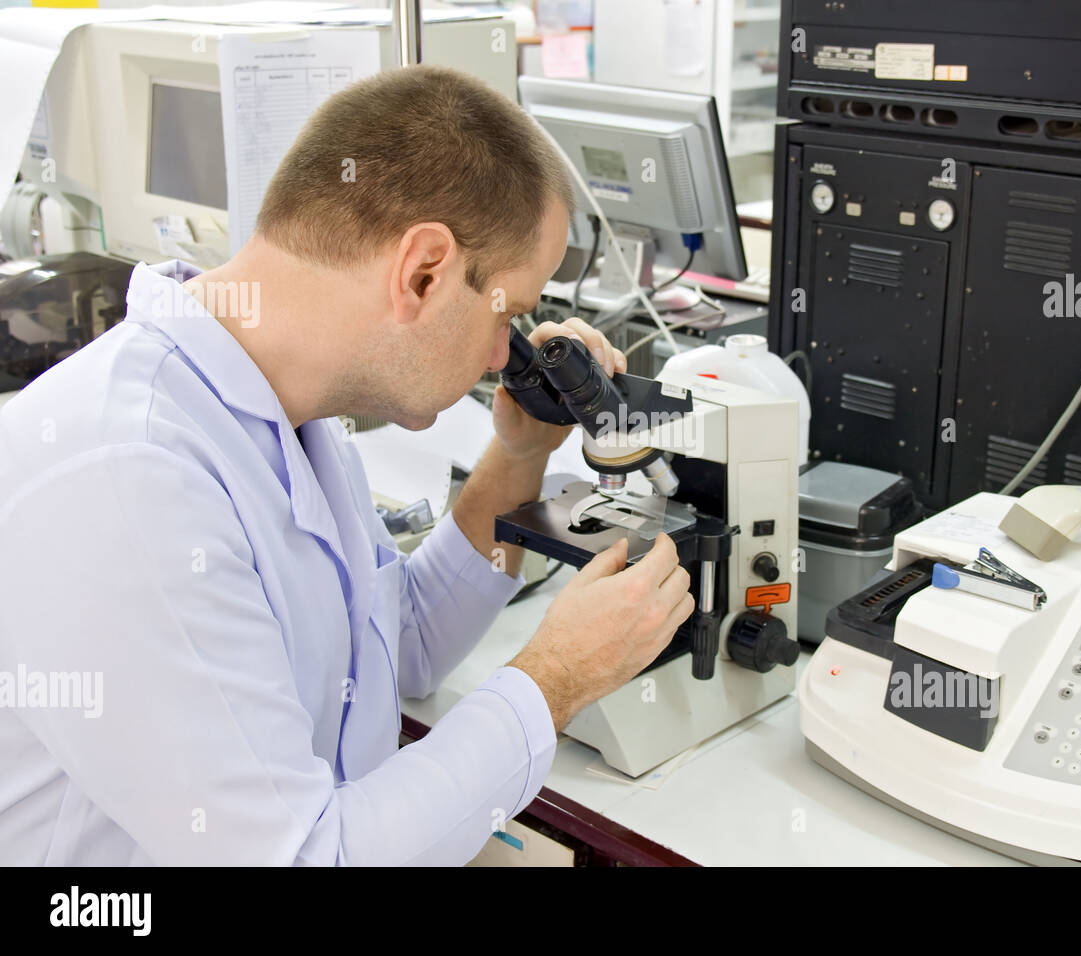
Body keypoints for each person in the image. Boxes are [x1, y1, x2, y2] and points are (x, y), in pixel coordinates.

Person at [0, 65, 694, 865]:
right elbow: (303, 859)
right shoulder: (130, 478)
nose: (507, 351)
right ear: (423, 271)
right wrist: (558, 677)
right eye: (510, 311)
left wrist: (518, 455)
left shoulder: (285, 411)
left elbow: (398, 650)